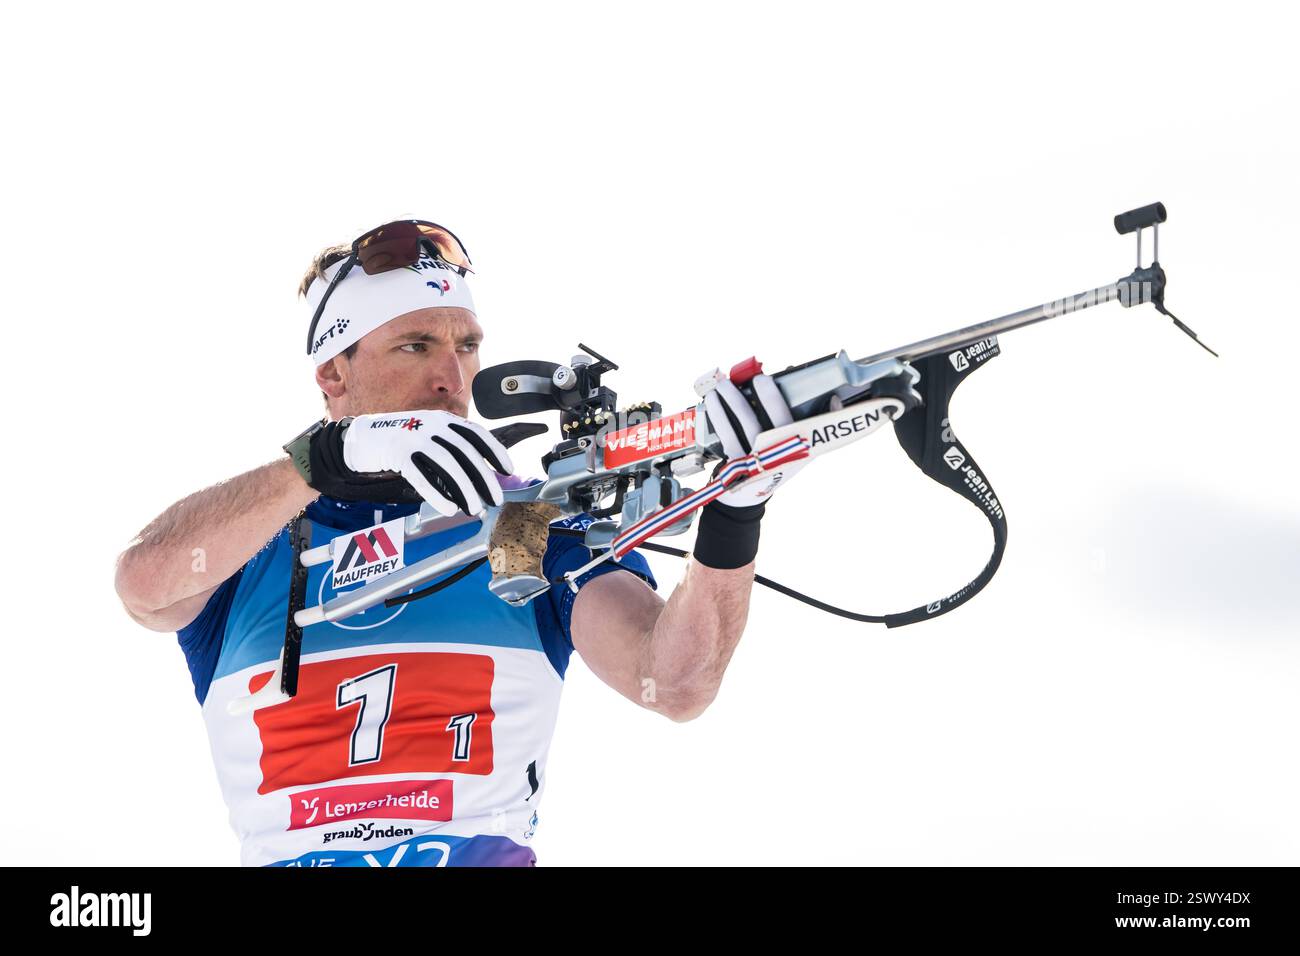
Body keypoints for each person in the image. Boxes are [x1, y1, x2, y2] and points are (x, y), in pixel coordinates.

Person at [113, 219, 808, 867]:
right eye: (416, 346)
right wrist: (317, 461)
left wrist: (734, 514)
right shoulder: (254, 541)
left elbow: (674, 683)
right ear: (334, 374)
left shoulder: (515, 529)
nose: (453, 378)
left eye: (467, 345)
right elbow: (144, 585)